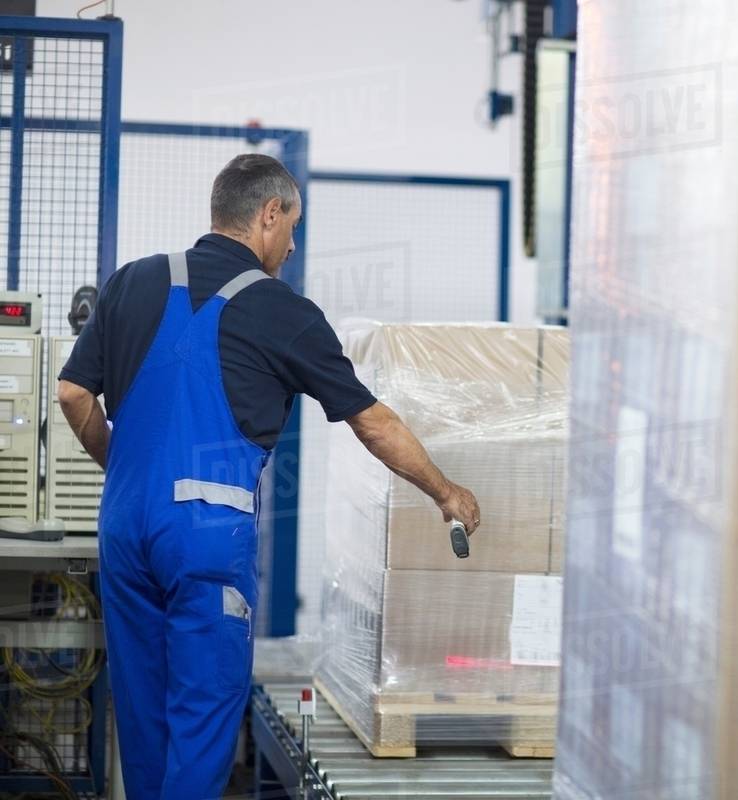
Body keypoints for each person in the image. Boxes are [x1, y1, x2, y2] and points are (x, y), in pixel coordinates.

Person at [55, 153, 480, 799]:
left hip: (123, 525)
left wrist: (127, 471)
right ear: (269, 214)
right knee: (202, 715)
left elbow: (72, 394)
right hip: (204, 532)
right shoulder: (284, 311)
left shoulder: (130, 281)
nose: (293, 245)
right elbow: (373, 423)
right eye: (293, 227)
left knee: (142, 712)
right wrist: (446, 492)